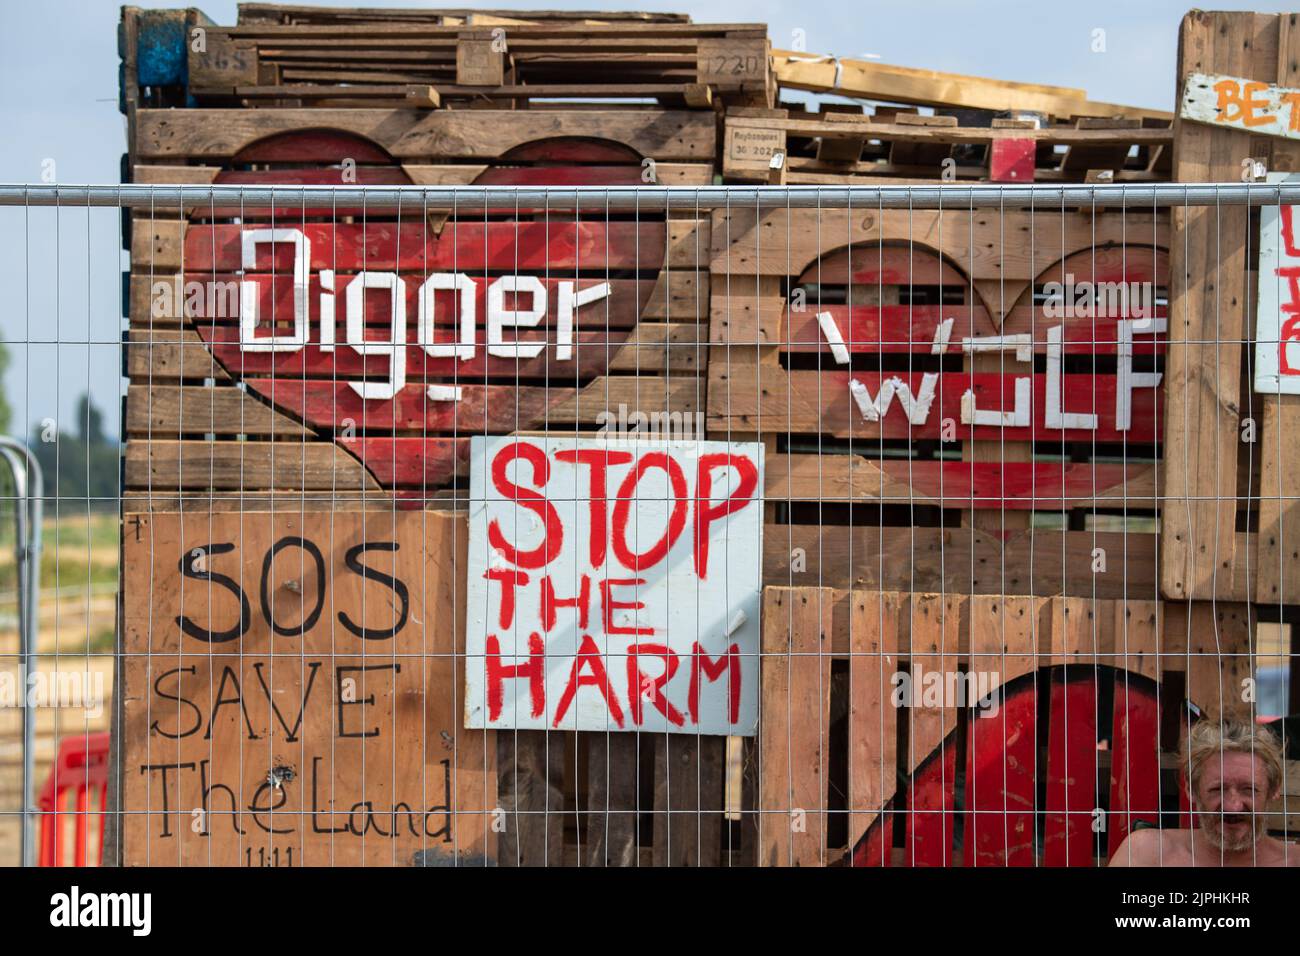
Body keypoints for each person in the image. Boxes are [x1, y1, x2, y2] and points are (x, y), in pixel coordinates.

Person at [1109, 718, 1296, 866]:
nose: (1233, 806)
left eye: (1249, 790)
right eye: (1217, 789)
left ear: (1274, 789)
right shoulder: (1148, 854)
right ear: (1191, 789)